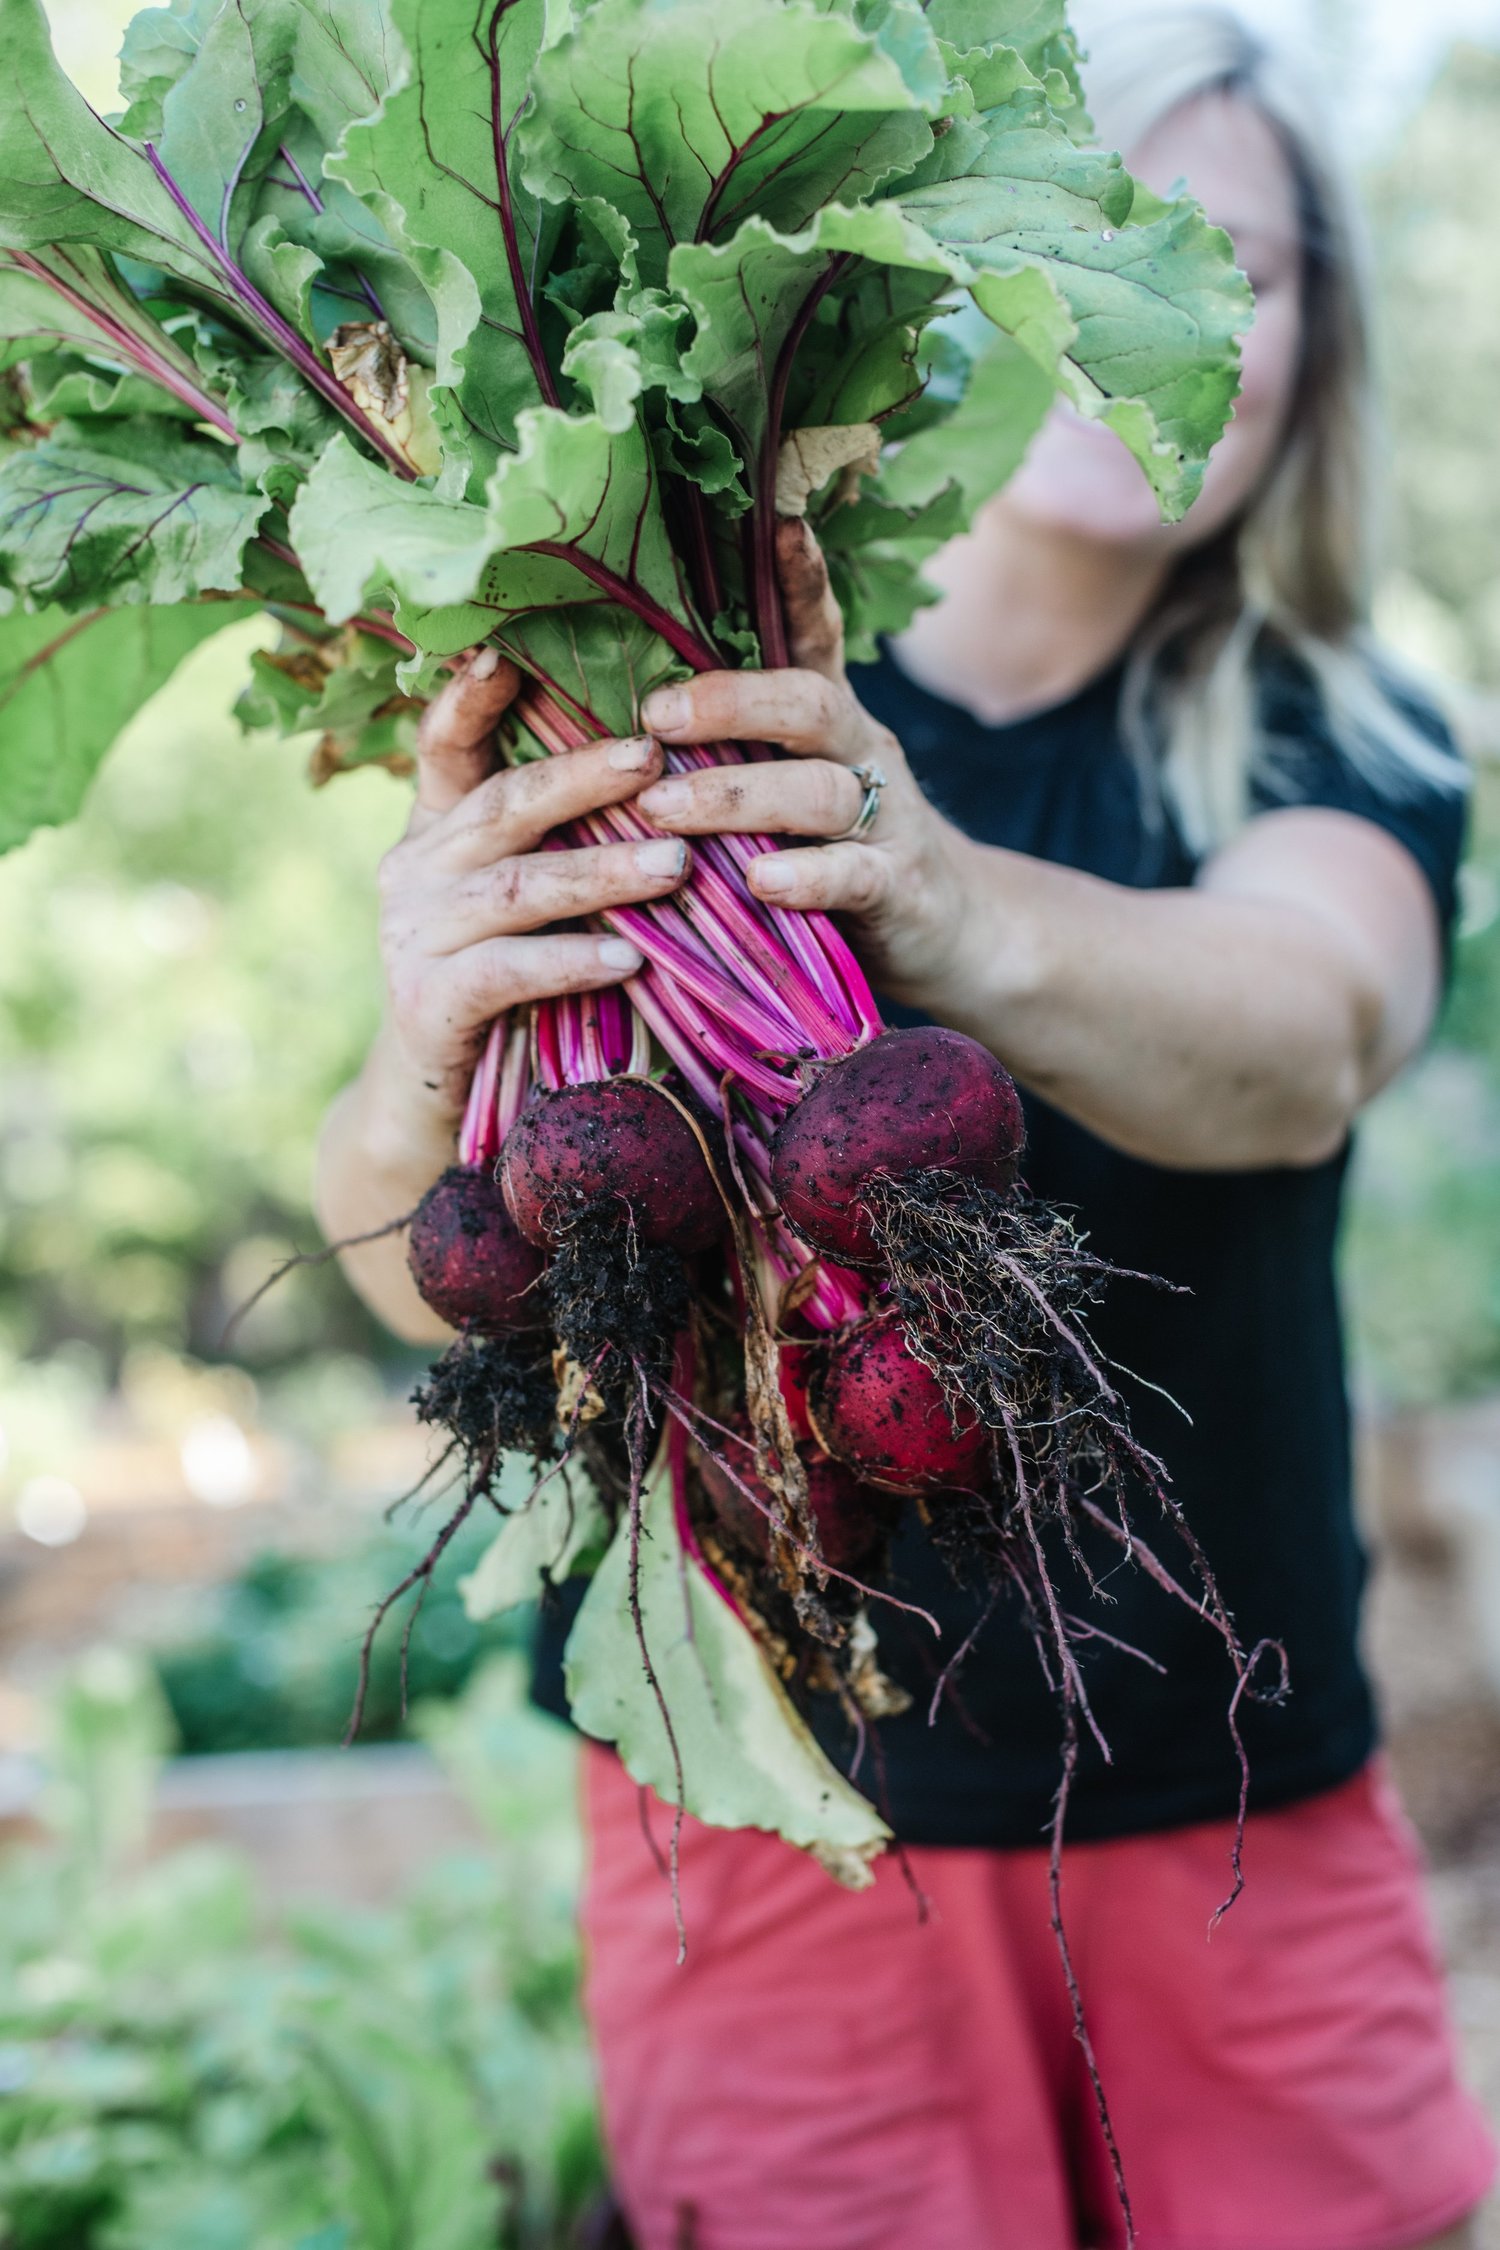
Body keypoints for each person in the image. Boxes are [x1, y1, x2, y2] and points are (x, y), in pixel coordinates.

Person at [316, 7, 1496, 2245]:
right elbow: (416, 1250)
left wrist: (938, 902)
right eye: (1080, 236)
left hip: (1226, 1775)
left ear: (1315, 351)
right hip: (757, 1795)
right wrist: (417, 1049)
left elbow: (1306, 1038)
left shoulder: (1349, 733)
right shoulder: (680, 721)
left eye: (1218, 263)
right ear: (913, 288)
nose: (1130, 307)